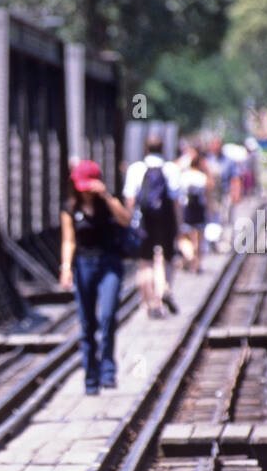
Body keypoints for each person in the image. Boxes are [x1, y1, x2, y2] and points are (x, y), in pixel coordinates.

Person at [61, 160, 132, 395]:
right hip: (84, 265)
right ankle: (90, 377)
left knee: (108, 316)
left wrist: (107, 196)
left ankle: (108, 371)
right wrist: (65, 268)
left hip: (109, 263)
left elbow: (126, 220)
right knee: (87, 324)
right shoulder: (70, 207)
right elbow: (69, 240)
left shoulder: (107, 204)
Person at [122, 135, 181, 317]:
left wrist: (128, 222)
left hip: (144, 221)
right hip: (166, 220)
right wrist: (179, 224)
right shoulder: (171, 169)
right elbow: (176, 201)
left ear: (145, 149)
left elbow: (130, 199)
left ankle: (150, 303)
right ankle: (165, 289)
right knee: (166, 258)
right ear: (163, 149)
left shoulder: (136, 169)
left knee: (145, 262)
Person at [178, 152, 208, 272]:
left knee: (184, 237)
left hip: (187, 209)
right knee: (198, 239)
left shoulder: (183, 176)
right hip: (200, 209)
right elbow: (207, 195)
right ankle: (196, 263)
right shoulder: (202, 177)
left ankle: (189, 256)